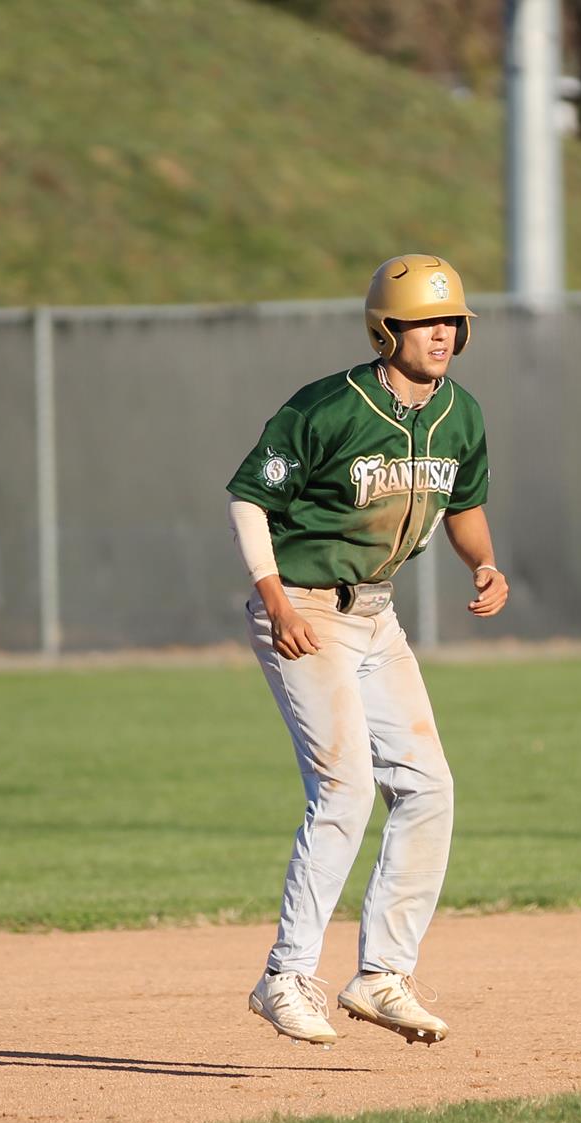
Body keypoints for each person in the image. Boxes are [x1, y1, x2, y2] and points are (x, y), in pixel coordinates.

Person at [225, 254, 507, 1046]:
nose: (441, 333)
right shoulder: (329, 407)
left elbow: (464, 504)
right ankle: (284, 977)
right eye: (424, 321)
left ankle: (381, 974)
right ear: (387, 329)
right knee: (344, 789)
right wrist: (274, 596)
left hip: (378, 616)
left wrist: (484, 562)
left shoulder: (461, 414)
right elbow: (249, 499)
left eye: (451, 320)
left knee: (428, 786)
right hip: (305, 609)